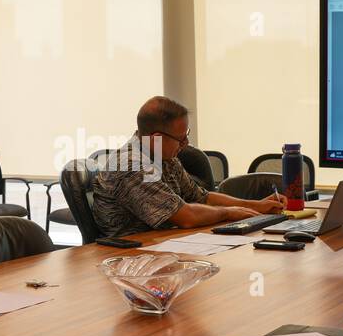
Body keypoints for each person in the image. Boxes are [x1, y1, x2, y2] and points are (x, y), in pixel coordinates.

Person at [92, 96, 283, 238]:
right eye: (180, 138)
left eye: (187, 134)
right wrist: (229, 212)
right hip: (129, 256)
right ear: (156, 137)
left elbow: (202, 197)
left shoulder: (164, 156)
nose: (186, 142)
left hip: (161, 243)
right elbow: (186, 216)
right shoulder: (133, 165)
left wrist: (257, 206)